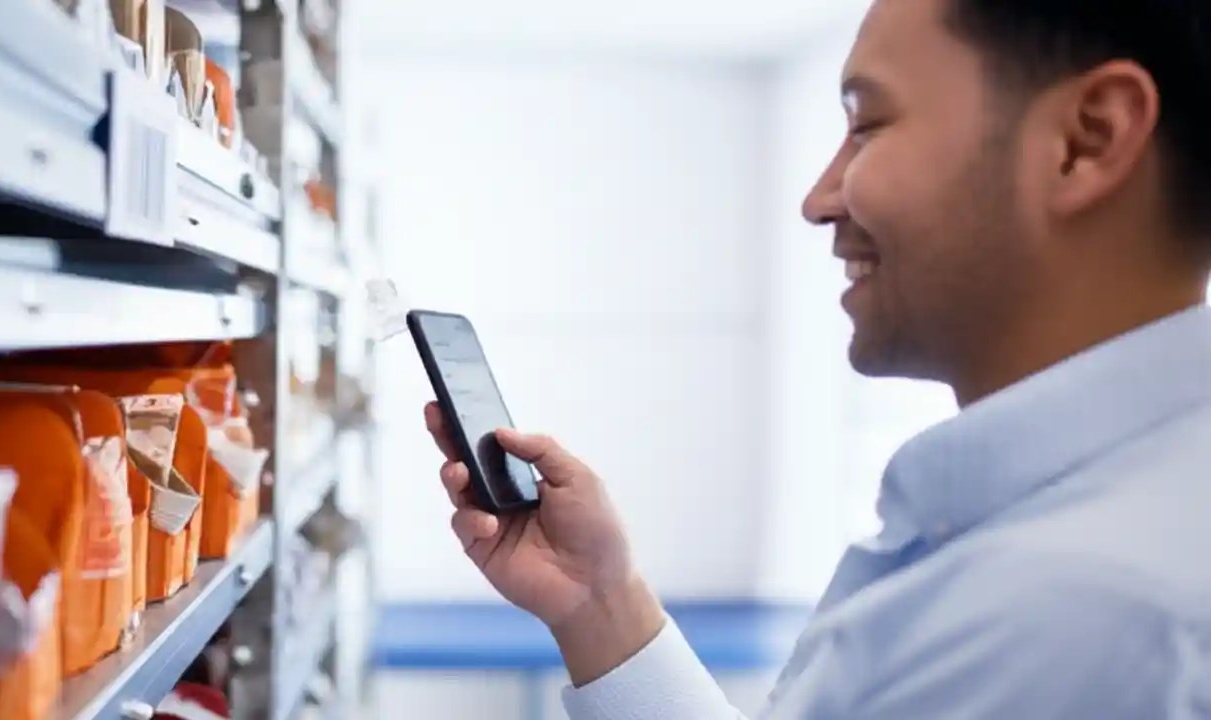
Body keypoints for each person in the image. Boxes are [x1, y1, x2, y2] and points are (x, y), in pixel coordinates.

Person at [424, 0, 1211, 716]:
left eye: (867, 125)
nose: (818, 197)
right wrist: (596, 601)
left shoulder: (1083, 618)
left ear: (1087, 139)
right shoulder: (1092, 533)